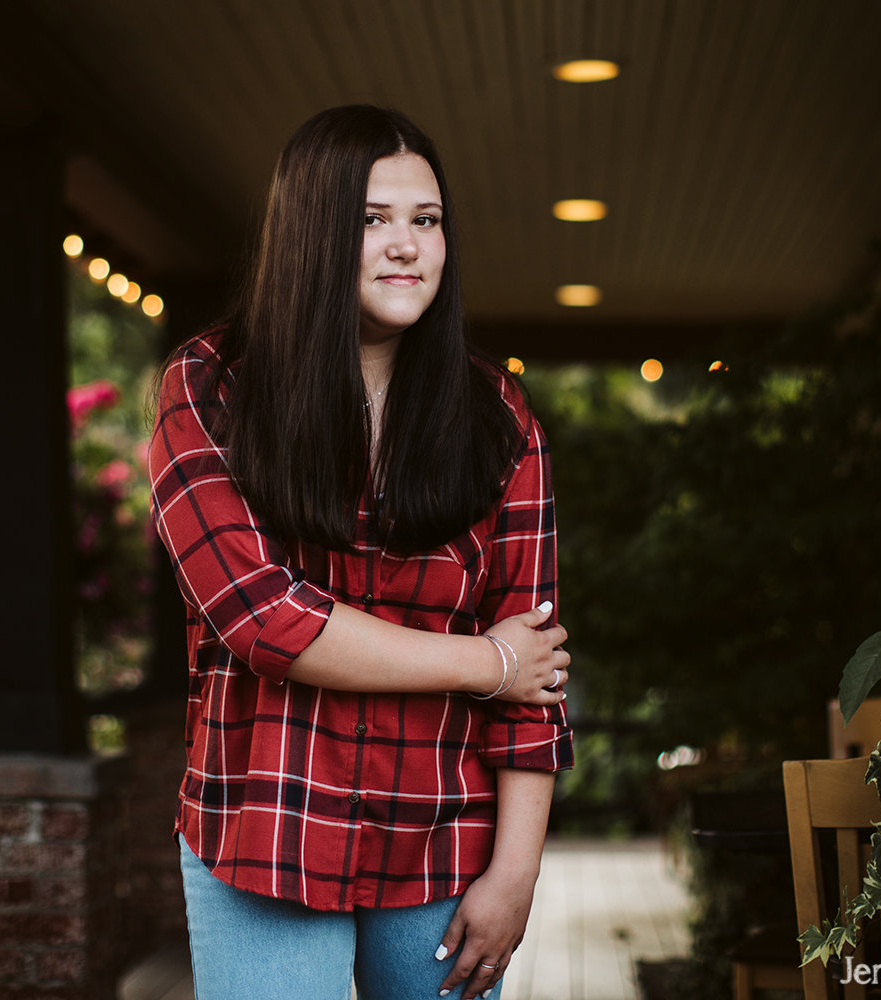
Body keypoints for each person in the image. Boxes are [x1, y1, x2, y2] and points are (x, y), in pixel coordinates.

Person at [147, 104, 573, 1000]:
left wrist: (517, 873)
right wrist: (483, 662)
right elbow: (264, 620)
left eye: (426, 221)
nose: (406, 246)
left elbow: (535, 672)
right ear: (311, 231)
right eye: (372, 221)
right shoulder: (210, 387)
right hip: (265, 829)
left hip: (442, 843)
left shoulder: (498, 420)